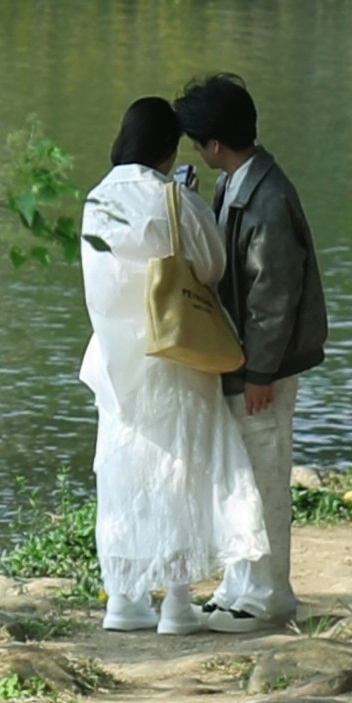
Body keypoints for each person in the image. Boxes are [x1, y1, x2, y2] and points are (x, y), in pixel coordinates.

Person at [74, 93, 229, 634]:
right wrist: (189, 204)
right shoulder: (174, 201)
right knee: (177, 471)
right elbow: (211, 266)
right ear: (168, 150)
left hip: (115, 359)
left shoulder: (97, 200)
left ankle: (122, 599)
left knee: (122, 474)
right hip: (173, 354)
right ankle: (178, 605)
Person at [177, 68, 328, 622]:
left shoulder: (266, 200)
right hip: (245, 359)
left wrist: (261, 372)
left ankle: (268, 596)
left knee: (264, 475)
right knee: (238, 475)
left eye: (198, 140)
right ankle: (239, 587)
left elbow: (274, 296)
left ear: (214, 144)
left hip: (263, 364)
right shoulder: (236, 184)